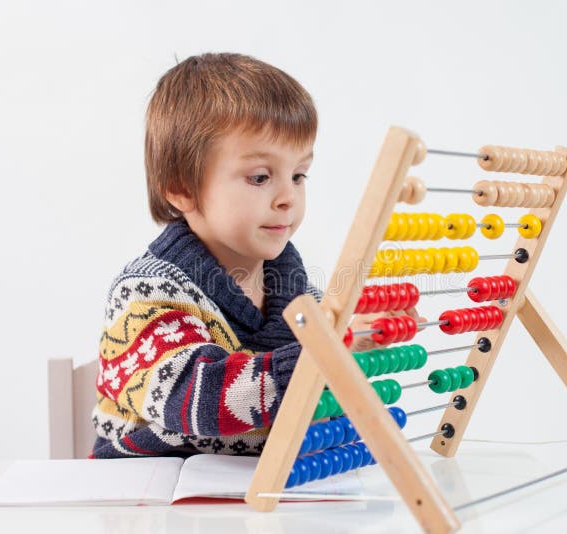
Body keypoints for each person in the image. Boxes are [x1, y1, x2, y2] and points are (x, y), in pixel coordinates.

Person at [90, 52, 418, 459]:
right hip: (148, 499)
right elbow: (195, 397)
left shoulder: (302, 299)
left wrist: (364, 346)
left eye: (299, 175)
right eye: (260, 177)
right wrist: (330, 356)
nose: (288, 198)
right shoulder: (146, 294)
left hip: (250, 499)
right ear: (180, 189)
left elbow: (315, 399)